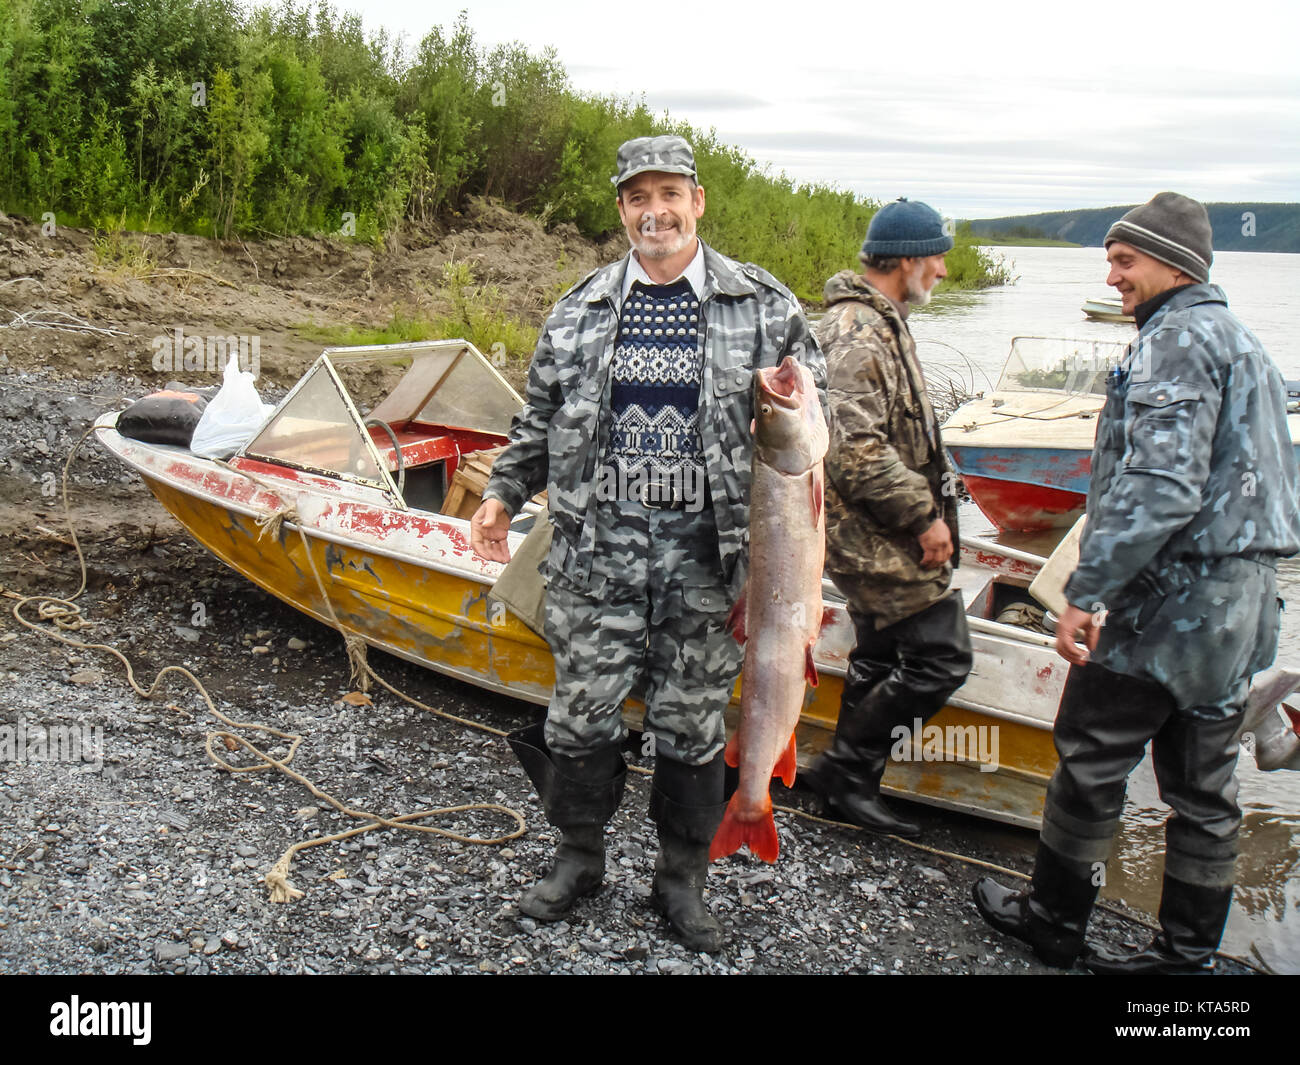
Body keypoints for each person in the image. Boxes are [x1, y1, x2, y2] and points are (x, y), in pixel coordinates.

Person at [469, 135, 825, 952]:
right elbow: (536, 422)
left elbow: (815, 418)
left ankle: (681, 879)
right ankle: (577, 858)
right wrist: (499, 493)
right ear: (622, 209)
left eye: (669, 193)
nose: (653, 211)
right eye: (637, 197)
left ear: (698, 200)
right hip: (598, 557)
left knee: (693, 725)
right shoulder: (579, 309)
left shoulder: (764, 305)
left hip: (711, 564)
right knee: (580, 717)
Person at [973, 191, 1300, 973]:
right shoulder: (1246, 343)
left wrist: (1085, 590)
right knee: (1205, 787)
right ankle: (1186, 955)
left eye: (1125, 260)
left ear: (1173, 265)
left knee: (1090, 759)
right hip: (1246, 603)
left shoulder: (1175, 340)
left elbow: (1161, 485)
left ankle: (1052, 918)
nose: (1113, 275)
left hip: (1170, 606)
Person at [801, 199, 973, 839]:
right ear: (906, 259)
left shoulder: (882, 323)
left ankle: (848, 786)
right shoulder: (855, 332)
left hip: (875, 527)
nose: (945, 272)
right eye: (937, 257)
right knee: (941, 657)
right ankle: (845, 769)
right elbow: (853, 451)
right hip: (870, 534)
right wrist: (925, 516)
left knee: (877, 651)